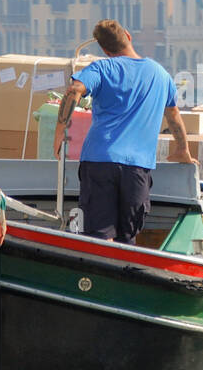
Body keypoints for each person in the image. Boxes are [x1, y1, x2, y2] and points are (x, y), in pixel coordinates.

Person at [54, 20, 195, 245]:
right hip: (137, 167)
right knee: (127, 238)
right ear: (128, 36)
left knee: (100, 236)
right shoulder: (161, 74)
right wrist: (183, 150)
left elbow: (74, 91)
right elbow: (174, 115)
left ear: (104, 50)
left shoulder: (101, 68)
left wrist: (60, 131)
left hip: (99, 160)